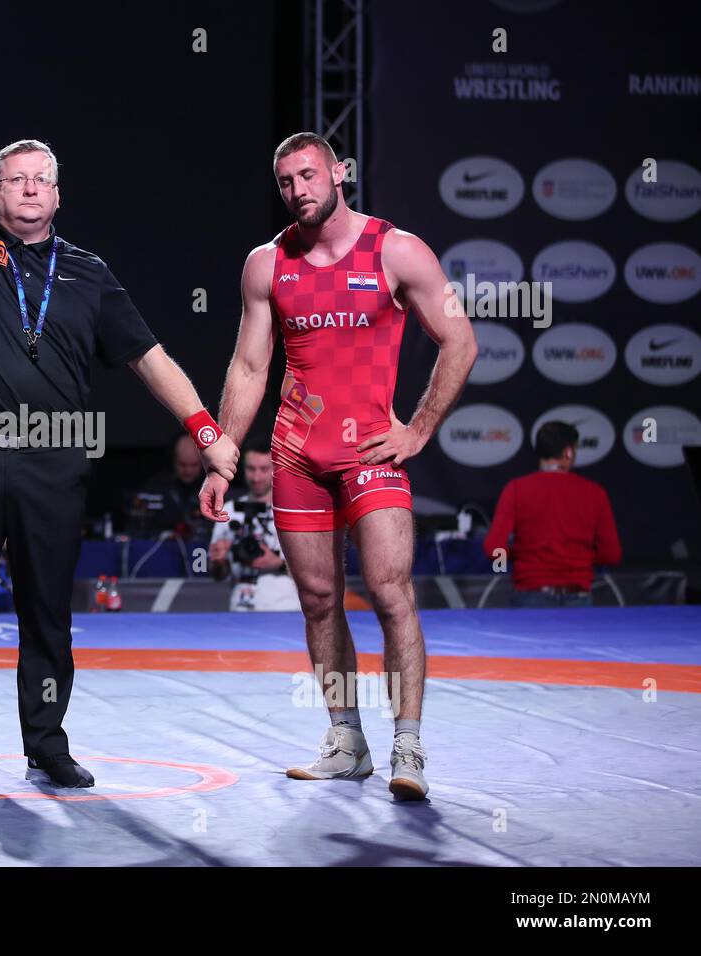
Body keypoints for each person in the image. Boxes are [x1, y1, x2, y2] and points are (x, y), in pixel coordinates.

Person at [0, 128, 239, 789]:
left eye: (42, 178)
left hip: (54, 457)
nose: (31, 187)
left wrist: (207, 433)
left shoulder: (89, 273)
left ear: (58, 195)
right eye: (16, 178)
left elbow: (149, 359)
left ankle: (46, 741)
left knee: (46, 609)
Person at [201, 132, 477, 801]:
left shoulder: (396, 250)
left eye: (308, 175)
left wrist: (418, 430)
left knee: (389, 592)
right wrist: (223, 453)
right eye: (286, 182)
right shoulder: (267, 265)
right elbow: (249, 367)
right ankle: (345, 739)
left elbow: (460, 340)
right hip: (298, 454)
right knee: (320, 601)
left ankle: (407, 743)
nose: (298, 190)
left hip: (370, 454)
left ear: (339, 172)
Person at [483, 420, 621, 607]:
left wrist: (522, 555)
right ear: (569, 452)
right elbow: (611, 554)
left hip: (530, 595)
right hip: (578, 598)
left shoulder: (516, 489)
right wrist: (578, 558)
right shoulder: (595, 492)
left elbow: (494, 549)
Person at [208, 439, 299, 611]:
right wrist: (218, 561)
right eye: (251, 469)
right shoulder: (228, 510)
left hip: (285, 607)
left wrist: (278, 563)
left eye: (264, 469)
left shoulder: (294, 510)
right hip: (240, 607)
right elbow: (218, 575)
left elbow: (316, 571)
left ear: (275, 469)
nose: (256, 477)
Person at [137, 434, 213, 537]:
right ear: (173, 460)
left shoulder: (214, 488)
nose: (188, 471)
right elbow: (138, 530)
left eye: (194, 465)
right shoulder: (154, 488)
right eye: (182, 464)